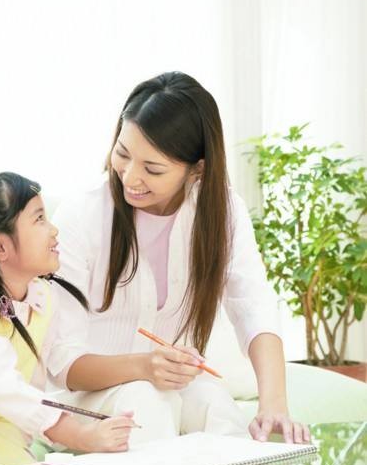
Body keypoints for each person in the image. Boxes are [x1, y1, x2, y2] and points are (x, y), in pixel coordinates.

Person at [52, 72, 310, 446]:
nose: (129, 177)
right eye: (122, 154)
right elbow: (61, 362)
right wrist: (143, 367)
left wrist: (274, 405)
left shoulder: (220, 211)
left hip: (171, 389)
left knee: (219, 409)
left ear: (197, 168)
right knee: (145, 401)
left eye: (152, 168)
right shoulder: (83, 214)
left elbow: (253, 304)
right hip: (84, 398)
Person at [0, 172, 135, 465]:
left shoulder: (43, 296)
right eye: (40, 219)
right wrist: (81, 436)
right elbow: (6, 389)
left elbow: (45, 378)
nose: (54, 230)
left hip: (6, 437)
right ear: (0, 247)